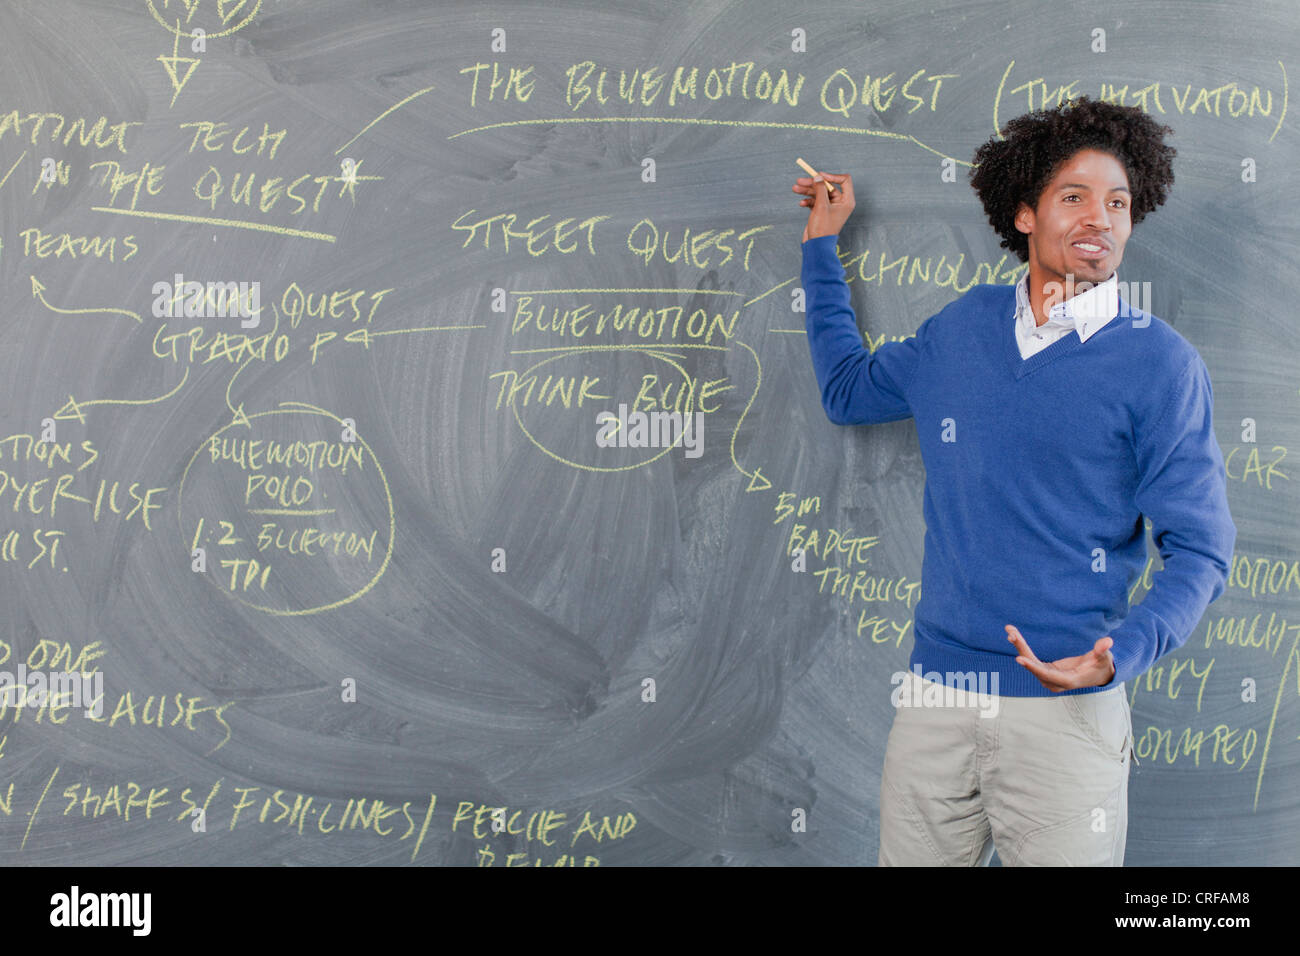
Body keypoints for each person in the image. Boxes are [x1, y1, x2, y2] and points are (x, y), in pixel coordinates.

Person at [792, 96, 1236, 866]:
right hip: (934, 702)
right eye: (1075, 197)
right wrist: (820, 248)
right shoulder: (960, 331)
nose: (1101, 217)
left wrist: (1121, 653)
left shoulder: (1159, 365)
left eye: (1119, 202)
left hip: (1067, 716)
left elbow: (1202, 549)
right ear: (1025, 214)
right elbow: (847, 391)